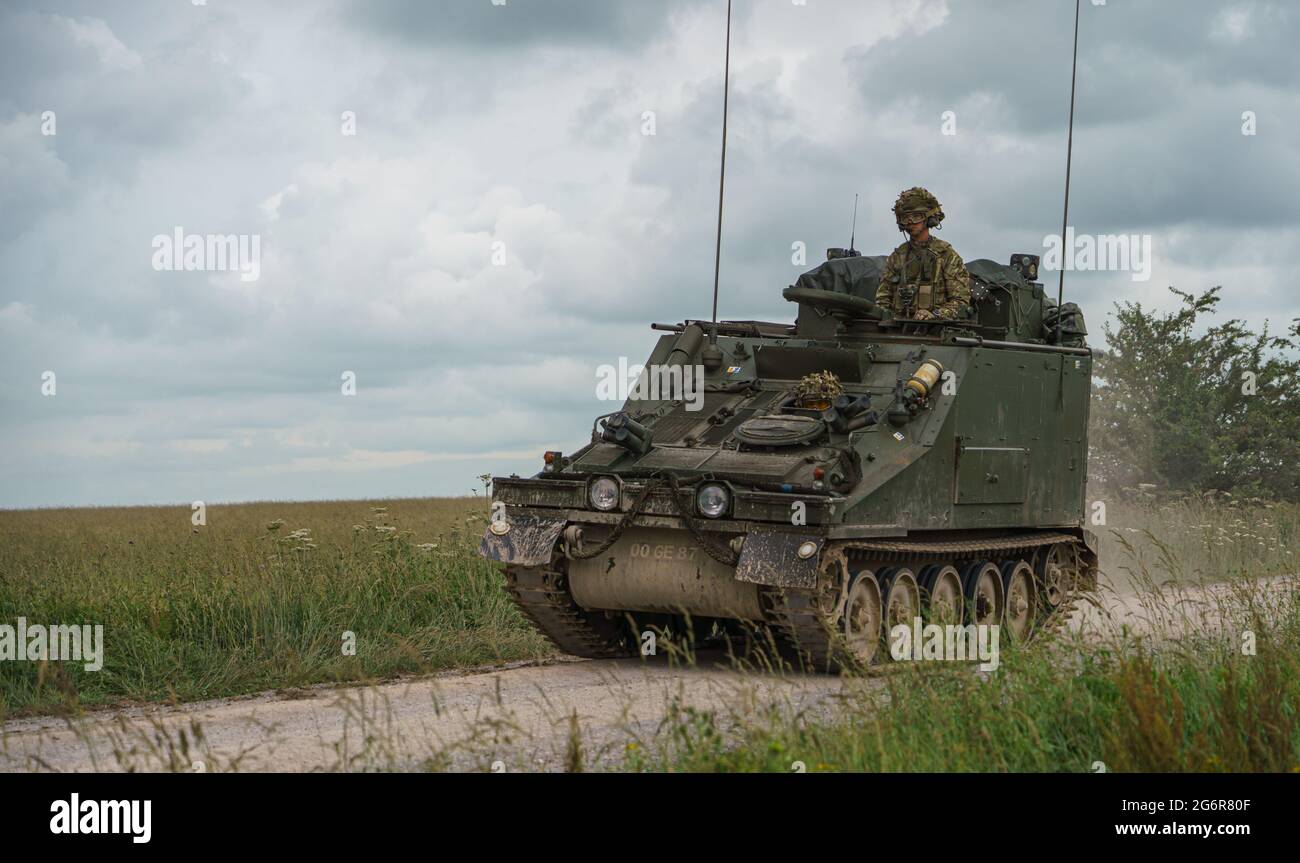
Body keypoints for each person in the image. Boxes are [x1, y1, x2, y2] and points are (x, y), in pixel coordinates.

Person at [875, 187, 971, 321]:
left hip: (935, 331)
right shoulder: (897, 257)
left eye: (916, 216)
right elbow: (883, 300)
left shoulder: (946, 255)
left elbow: (961, 302)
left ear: (929, 218)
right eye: (905, 218)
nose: (910, 222)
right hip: (898, 330)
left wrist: (936, 314)